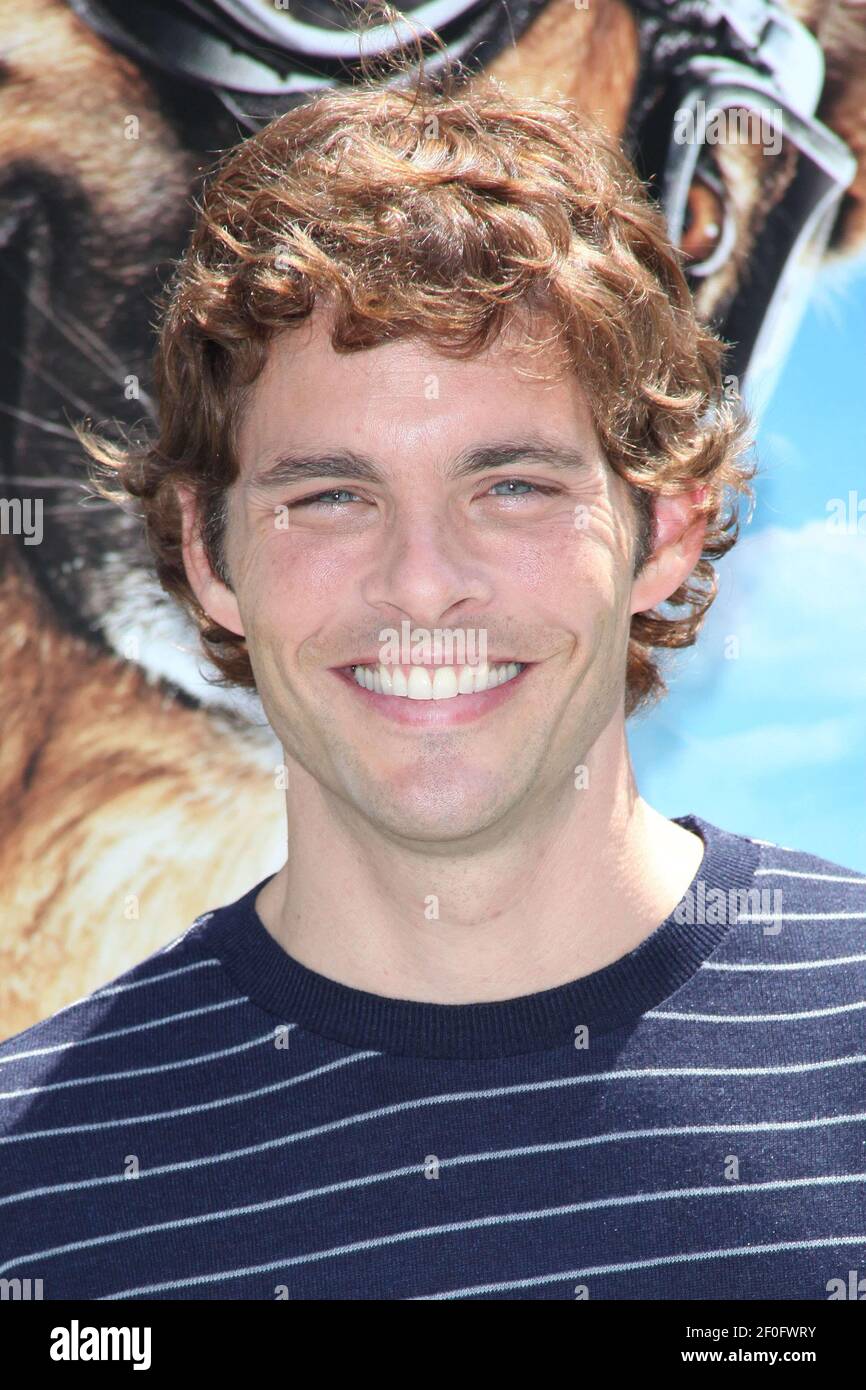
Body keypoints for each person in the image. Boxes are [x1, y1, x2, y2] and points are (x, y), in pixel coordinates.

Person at [1, 70, 863, 1304]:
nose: (421, 584)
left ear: (666, 525)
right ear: (209, 554)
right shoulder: (30, 1184)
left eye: (510, 486)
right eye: (329, 496)